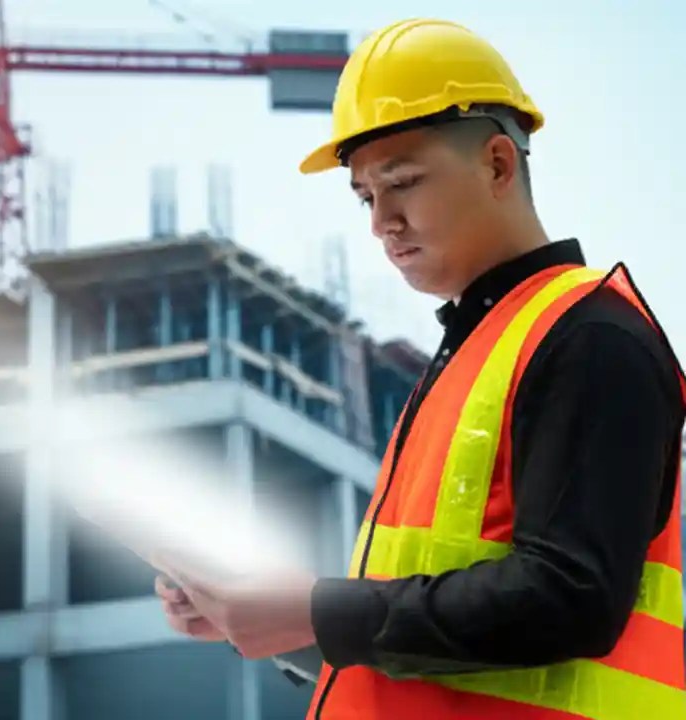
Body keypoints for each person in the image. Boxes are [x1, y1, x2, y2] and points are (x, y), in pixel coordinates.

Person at [151, 17, 686, 720]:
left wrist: (319, 609)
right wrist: (277, 623)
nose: (381, 222)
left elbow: (568, 601)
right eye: (367, 197)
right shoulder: (473, 355)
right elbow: (438, 652)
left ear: (498, 164)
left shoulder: (589, 336)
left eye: (402, 183)